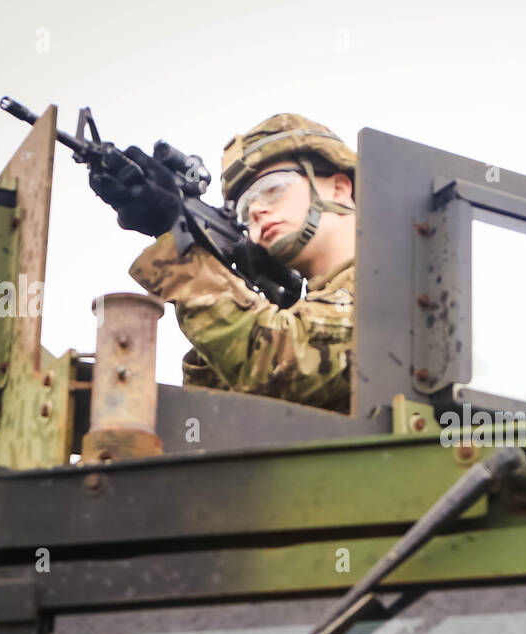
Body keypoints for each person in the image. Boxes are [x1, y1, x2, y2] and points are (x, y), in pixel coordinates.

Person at [90, 113, 358, 413]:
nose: (256, 210)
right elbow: (215, 416)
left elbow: (276, 365)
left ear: (339, 188)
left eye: (272, 189)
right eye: (244, 209)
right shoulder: (313, 309)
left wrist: (180, 246)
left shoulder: (398, 272)